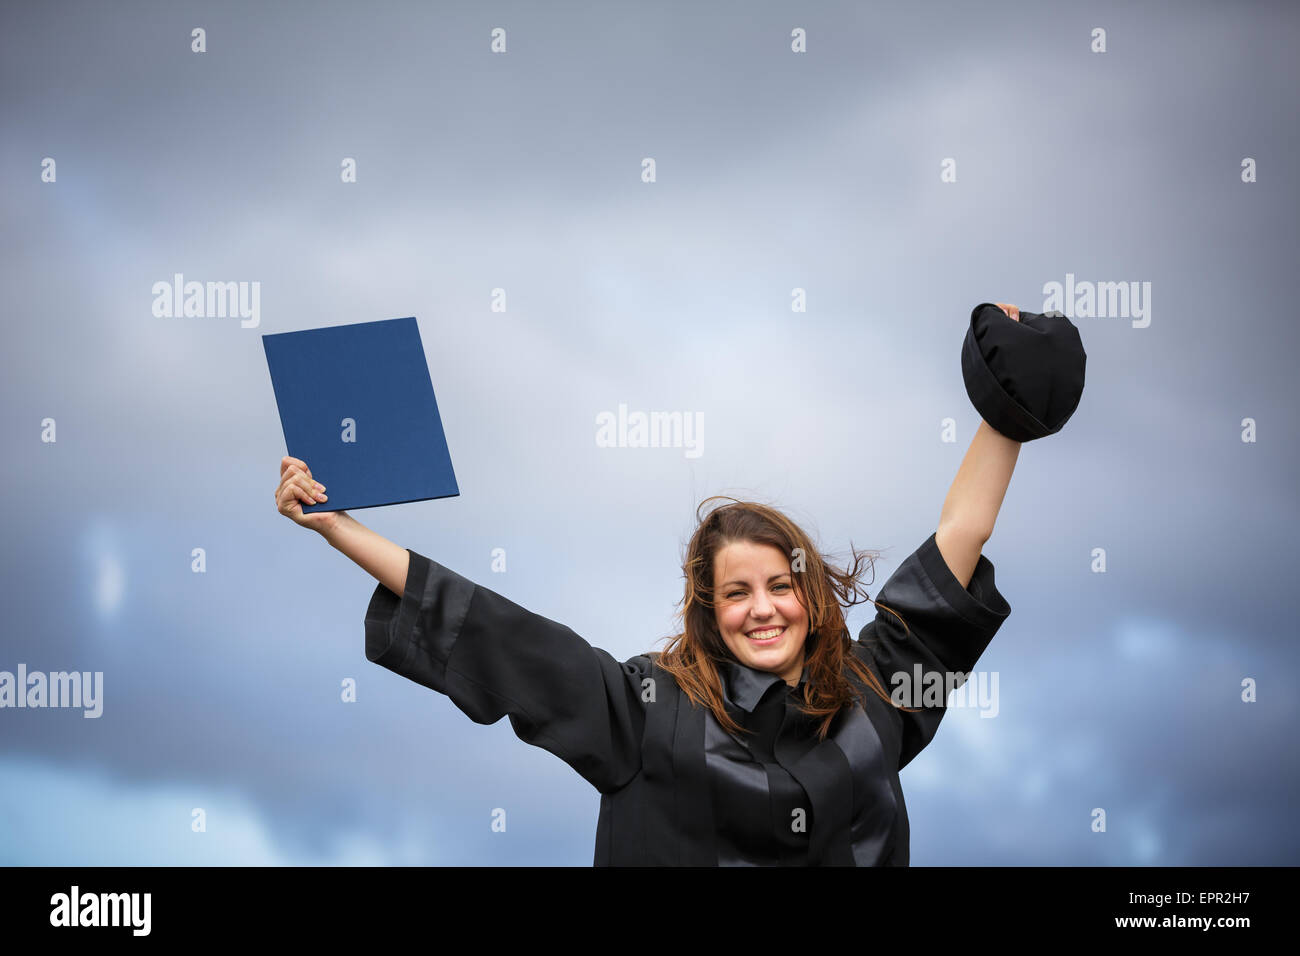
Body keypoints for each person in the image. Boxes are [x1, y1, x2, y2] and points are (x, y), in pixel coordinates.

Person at [274, 304, 1025, 866]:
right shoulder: (648, 713)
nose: (763, 608)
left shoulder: (878, 694)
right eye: (736, 594)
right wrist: (342, 529)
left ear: (811, 594)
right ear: (708, 612)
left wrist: (1011, 401)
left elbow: (959, 538)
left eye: (779, 585)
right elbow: (499, 634)